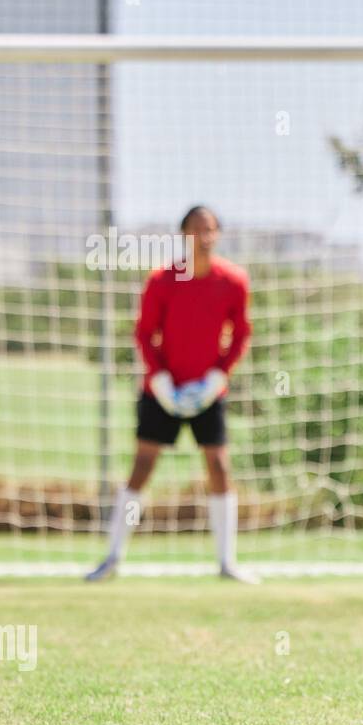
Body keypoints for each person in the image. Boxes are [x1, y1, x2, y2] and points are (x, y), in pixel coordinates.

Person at [86, 205, 258, 584]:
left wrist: (217, 376)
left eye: (211, 229)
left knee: (219, 467)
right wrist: (160, 380)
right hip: (162, 392)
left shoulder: (233, 280)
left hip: (207, 391)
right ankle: (112, 557)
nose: (205, 236)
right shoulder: (161, 280)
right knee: (142, 467)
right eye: (198, 229)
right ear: (183, 235)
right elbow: (145, 333)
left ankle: (227, 563)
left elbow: (242, 333)